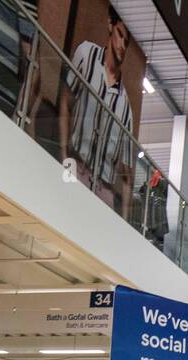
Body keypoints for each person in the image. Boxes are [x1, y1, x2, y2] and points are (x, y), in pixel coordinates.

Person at [60, 4, 136, 217]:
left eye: (126, 42)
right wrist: (65, 155)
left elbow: (127, 173)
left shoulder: (126, 107)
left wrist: (125, 219)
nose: (122, 45)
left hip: (104, 188)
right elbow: (66, 101)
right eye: (120, 35)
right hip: (77, 166)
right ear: (110, 26)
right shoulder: (86, 54)